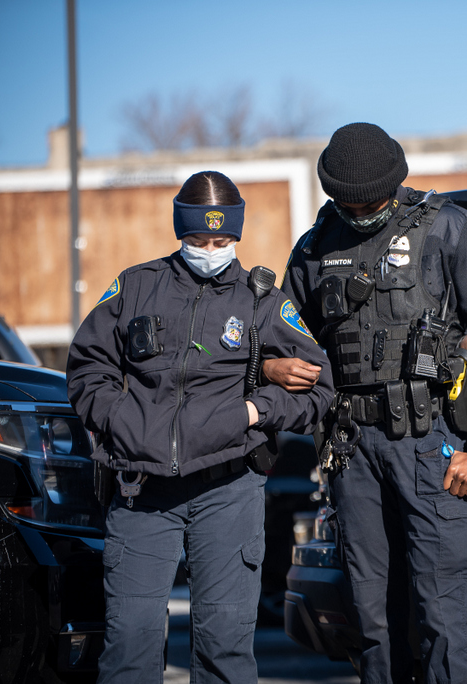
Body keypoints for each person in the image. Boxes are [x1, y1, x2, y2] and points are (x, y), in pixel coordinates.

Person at [66, 171, 335, 684]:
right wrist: (121, 423)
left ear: (236, 235)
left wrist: (256, 410)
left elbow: (319, 390)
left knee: (224, 649)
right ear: (178, 232)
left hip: (229, 489)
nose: (210, 250)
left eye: (221, 240)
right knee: (128, 646)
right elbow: (86, 367)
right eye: (197, 240)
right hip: (141, 490)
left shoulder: (263, 301)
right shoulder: (135, 287)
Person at [266, 123, 467, 684]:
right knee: (372, 617)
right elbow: (286, 340)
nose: (359, 213)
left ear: (395, 184)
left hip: (432, 442)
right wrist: (273, 367)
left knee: (441, 614)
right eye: (345, 203)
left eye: (369, 203)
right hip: (353, 450)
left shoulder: (448, 228)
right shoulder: (313, 247)